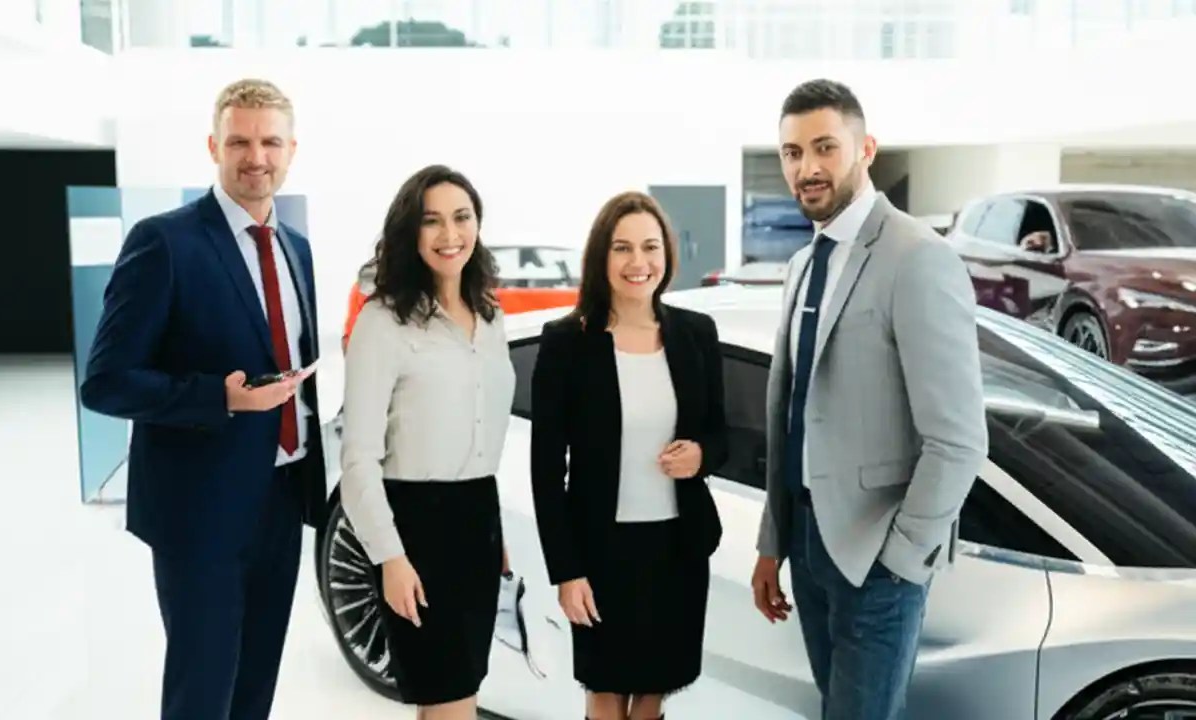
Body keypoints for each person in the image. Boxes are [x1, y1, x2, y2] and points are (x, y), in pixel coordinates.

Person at [79, 78, 327, 720]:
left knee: (255, 689)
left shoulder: (296, 248)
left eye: (271, 141)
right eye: (240, 141)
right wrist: (215, 399)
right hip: (200, 512)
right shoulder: (165, 242)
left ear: (292, 149)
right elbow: (106, 379)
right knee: (203, 690)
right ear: (213, 145)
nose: (256, 157)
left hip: (281, 496)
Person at [749, 78, 988, 719]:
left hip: (878, 557)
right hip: (806, 543)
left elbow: (960, 439)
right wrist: (774, 540)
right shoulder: (804, 263)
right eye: (792, 153)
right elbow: (791, 412)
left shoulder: (917, 257)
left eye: (825, 147)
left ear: (867, 148)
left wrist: (901, 559)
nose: (808, 168)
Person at [529, 191, 728, 720]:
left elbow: (721, 435)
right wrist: (565, 572)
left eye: (650, 247)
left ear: (667, 255)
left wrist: (701, 456)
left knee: (651, 701)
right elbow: (546, 473)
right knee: (605, 697)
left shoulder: (695, 334)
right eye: (622, 248)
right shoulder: (567, 342)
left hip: (676, 552)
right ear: (602, 257)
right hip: (600, 554)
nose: (638, 263)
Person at [339, 164, 514, 720]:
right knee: (445, 701)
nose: (449, 234)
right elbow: (358, 458)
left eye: (462, 218)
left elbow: (483, 433)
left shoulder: (490, 317)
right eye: (431, 221)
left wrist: (494, 528)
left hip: (477, 518)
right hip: (417, 527)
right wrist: (389, 556)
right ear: (409, 233)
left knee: (463, 693)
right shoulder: (384, 322)